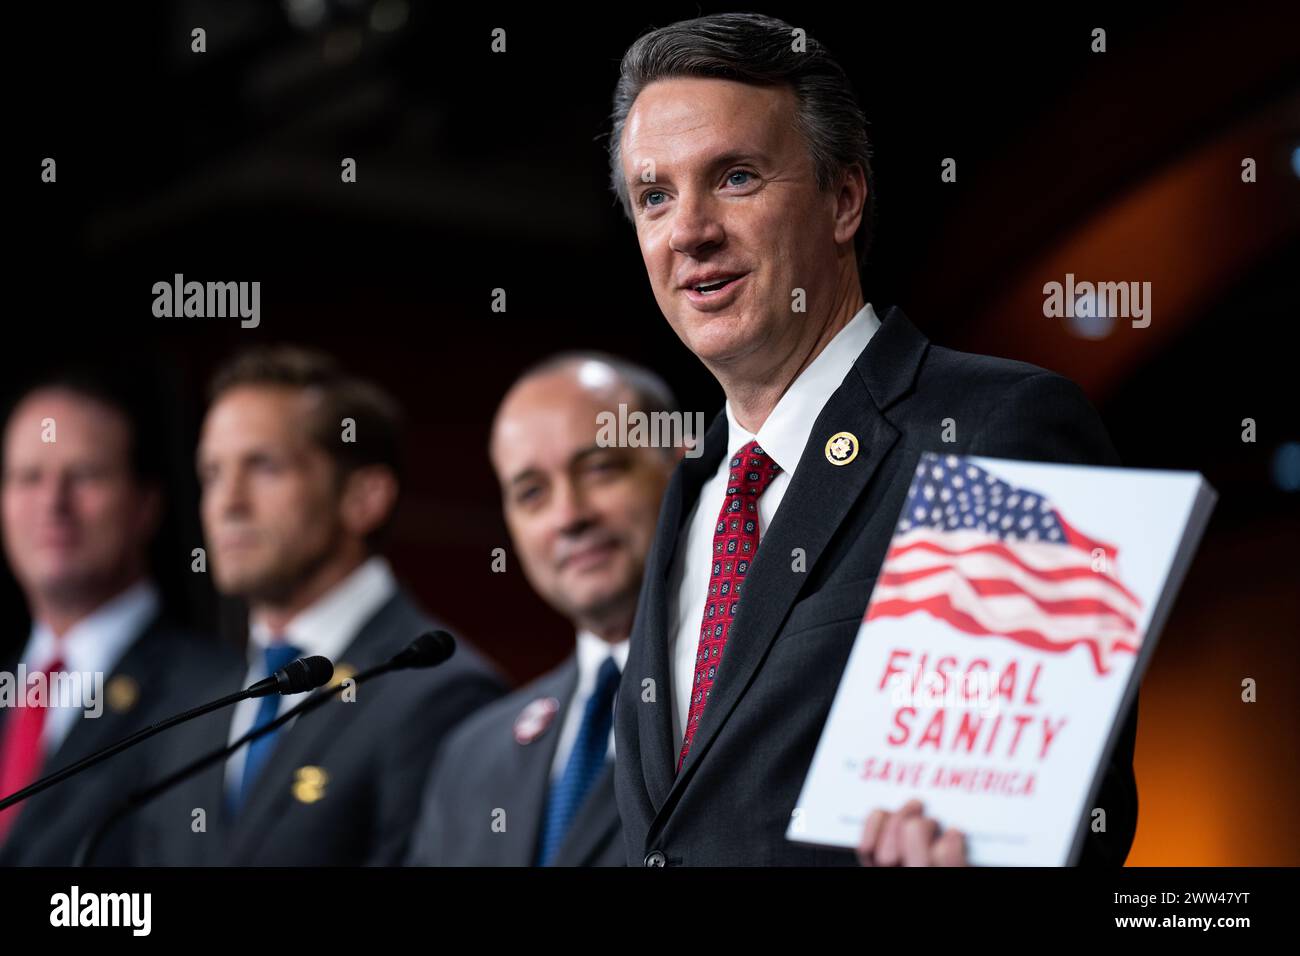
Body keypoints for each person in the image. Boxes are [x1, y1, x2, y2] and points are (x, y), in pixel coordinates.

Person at [606, 12, 1139, 867]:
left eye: (735, 177)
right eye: (655, 196)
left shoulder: (997, 430)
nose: (689, 232)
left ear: (844, 198)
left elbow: (1067, 818)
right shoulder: (693, 488)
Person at [134, 347, 505, 865]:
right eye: (212, 474)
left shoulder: (439, 692)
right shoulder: (194, 713)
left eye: (262, 466)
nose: (227, 502)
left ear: (364, 498)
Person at [408, 353, 679, 865]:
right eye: (531, 493)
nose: (568, 515)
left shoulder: (745, 694)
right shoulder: (470, 757)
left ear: (681, 466)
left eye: (600, 469)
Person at [0, 370, 229, 865]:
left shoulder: (215, 695)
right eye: (28, 477)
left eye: (84, 476)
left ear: (145, 506)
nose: (52, 503)